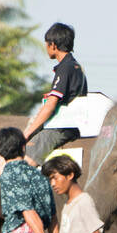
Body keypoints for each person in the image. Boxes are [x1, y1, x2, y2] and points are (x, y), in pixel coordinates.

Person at [24, 22, 88, 160]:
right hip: (73, 123)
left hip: (62, 127)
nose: (46, 47)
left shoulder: (65, 68)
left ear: (53, 45)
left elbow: (51, 105)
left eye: (46, 44)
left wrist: (28, 132)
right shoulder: (76, 67)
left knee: (23, 165)